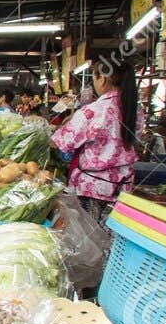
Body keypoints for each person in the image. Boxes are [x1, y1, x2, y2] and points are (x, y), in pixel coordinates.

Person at [52, 56, 138, 221]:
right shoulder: (134, 110)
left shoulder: (94, 110)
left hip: (93, 187)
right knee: (111, 235)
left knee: (89, 237)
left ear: (103, 78)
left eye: (94, 78)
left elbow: (61, 142)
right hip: (123, 186)